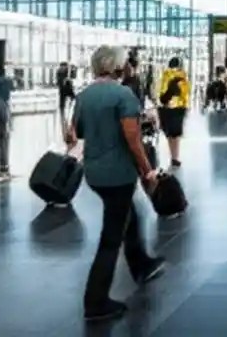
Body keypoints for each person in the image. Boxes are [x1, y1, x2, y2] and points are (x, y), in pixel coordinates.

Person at [65, 45, 165, 322]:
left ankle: (142, 264)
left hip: (94, 172)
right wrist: (147, 171)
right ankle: (95, 301)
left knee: (128, 215)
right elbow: (132, 139)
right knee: (111, 236)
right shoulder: (123, 95)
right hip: (118, 174)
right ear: (118, 67)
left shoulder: (84, 96)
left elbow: (77, 133)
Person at [157, 58, 189, 169]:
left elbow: (161, 92)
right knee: (176, 135)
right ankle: (175, 157)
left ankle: (173, 156)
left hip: (166, 108)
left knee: (170, 135)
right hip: (178, 108)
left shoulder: (165, 75)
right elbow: (185, 92)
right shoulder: (182, 75)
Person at [57, 61, 76, 126]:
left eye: (65, 67)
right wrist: (64, 80)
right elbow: (59, 81)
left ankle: (69, 110)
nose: (64, 68)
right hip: (63, 89)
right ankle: (62, 115)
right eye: (63, 67)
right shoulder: (59, 72)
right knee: (62, 103)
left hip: (68, 88)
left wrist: (73, 70)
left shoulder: (68, 70)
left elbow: (73, 76)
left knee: (74, 98)